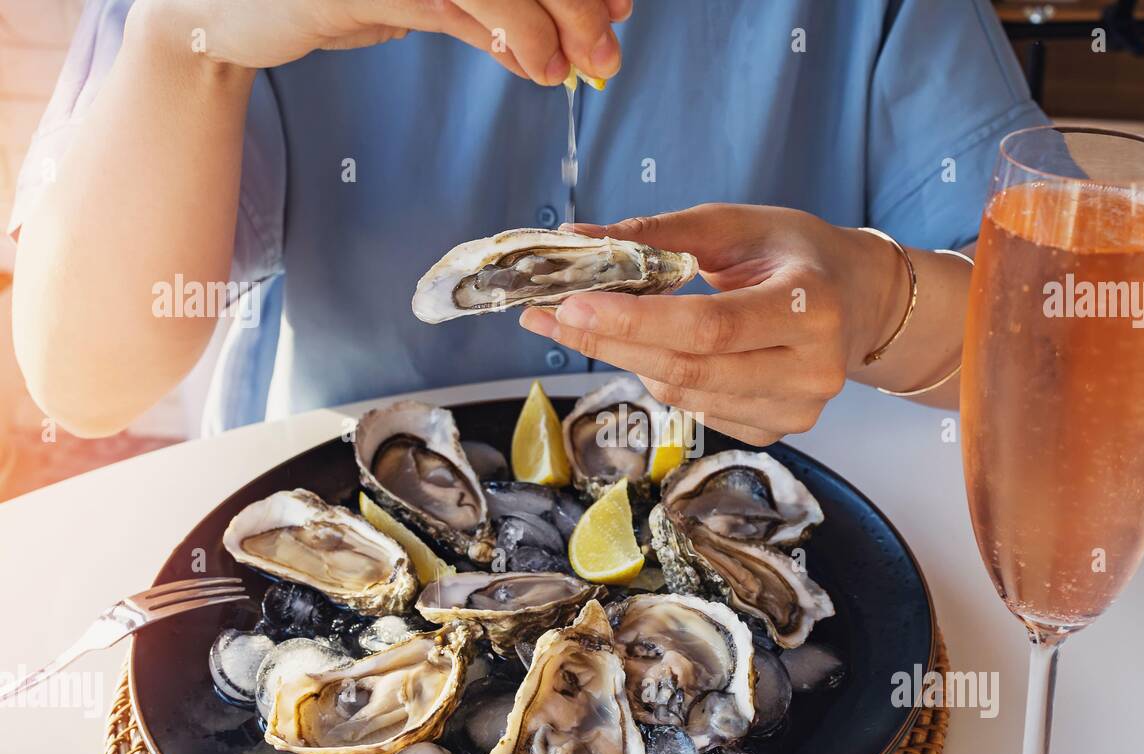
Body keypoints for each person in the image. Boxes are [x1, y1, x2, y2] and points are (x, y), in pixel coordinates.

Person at [8, 0, 1045, 445]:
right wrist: (191, 46)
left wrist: (874, 301)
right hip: (338, 558)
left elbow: (1059, 349)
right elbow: (83, 379)